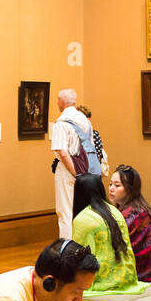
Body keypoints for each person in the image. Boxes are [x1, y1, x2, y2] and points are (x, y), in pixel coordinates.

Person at [71, 173, 145, 297]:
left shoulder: (82, 218)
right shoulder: (115, 211)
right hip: (127, 277)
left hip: (100, 282)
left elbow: (77, 256)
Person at [50, 89, 99, 239]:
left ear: (61, 102)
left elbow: (63, 153)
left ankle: (67, 250)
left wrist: (76, 173)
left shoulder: (61, 123)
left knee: (65, 212)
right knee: (85, 210)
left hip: (68, 170)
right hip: (88, 169)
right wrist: (84, 174)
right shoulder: (84, 120)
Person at [107, 165, 151, 282]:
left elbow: (115, 250)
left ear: (130, 189)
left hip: (142, 273)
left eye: (117, 185)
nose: (111, 189)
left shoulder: (133, 214)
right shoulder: (139, 208)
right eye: (110, 184)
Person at [76, 103, 108, 175]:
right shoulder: (73, 134)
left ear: (88, 119)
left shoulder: (94, 135)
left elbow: (97, 157)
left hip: (90, 173)